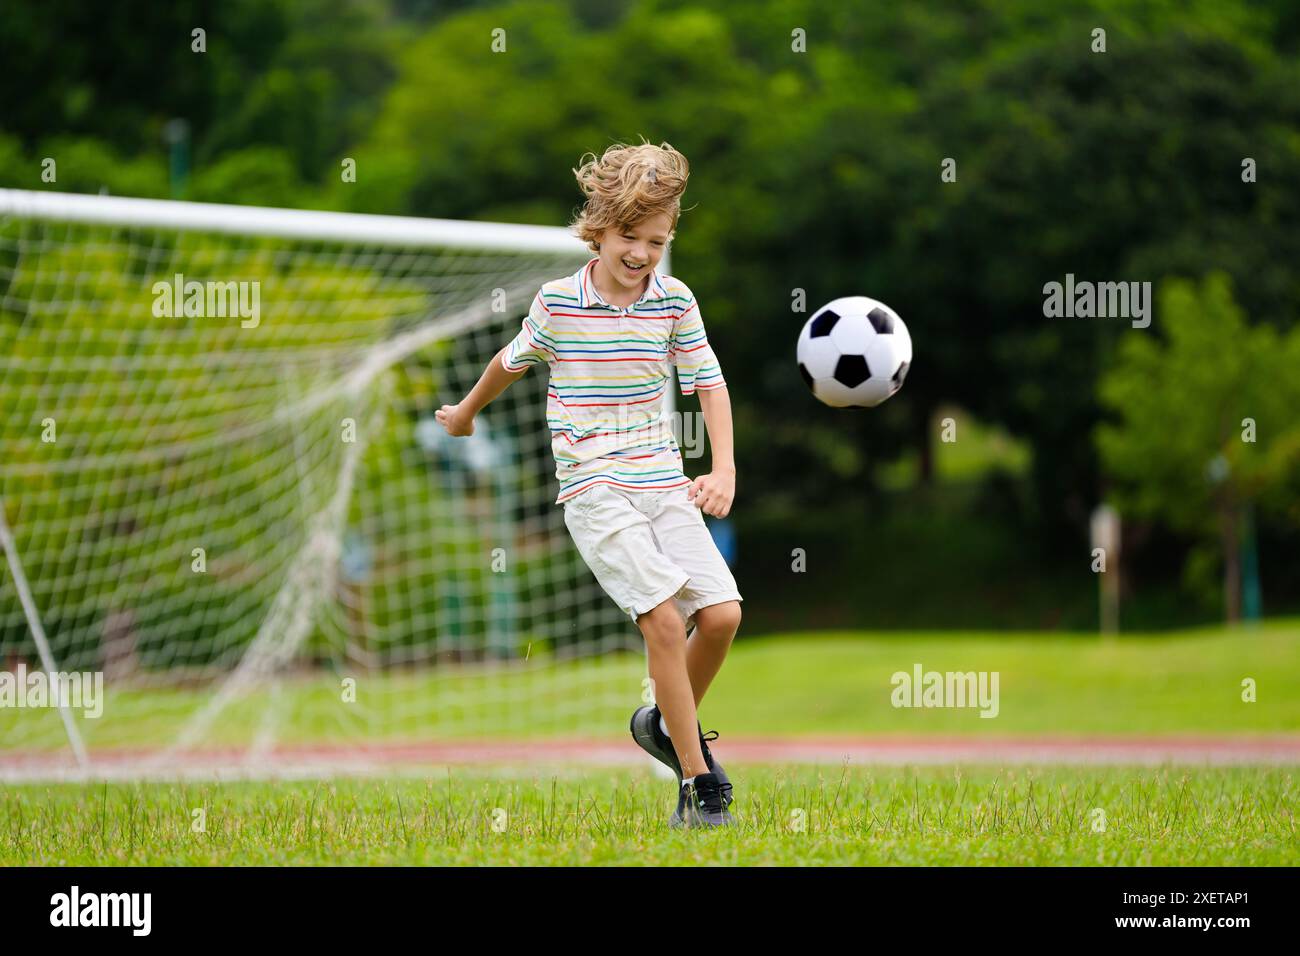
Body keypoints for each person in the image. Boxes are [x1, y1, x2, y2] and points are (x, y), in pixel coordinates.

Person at [435, 140, 742, 828]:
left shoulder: (673, 300)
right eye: (629, 236)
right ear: (597, 230)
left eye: (656, 241)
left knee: (721, 616)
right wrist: (463, 415)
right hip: (594, 488)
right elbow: (507, 363)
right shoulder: (557, 303)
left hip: (662, 480)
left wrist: (721, 469)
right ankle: (699, 783)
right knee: (663, 619)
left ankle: (664, 726)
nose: (641, 252)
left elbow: (710, 384)